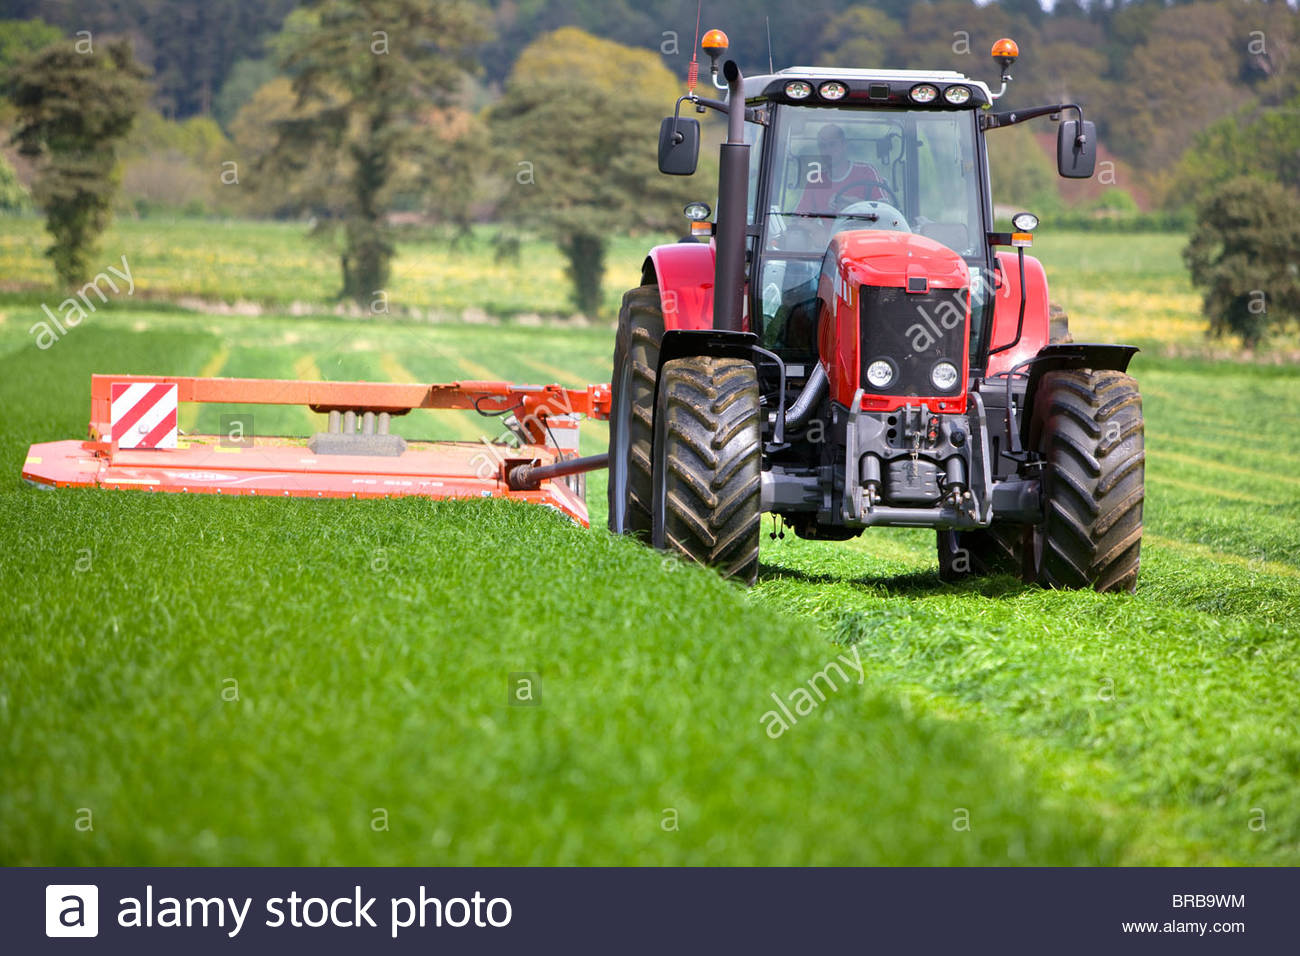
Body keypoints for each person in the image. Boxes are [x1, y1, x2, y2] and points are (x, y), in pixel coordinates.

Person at [794, 123, 890, 215]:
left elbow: (885, 211)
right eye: (823, 146)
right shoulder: (816, 180)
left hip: (865, 231)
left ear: (844, 144)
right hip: (827, 232)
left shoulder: (867, 171)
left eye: (832, 144)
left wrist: (848, 200)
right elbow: (799, 218)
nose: (828, 151)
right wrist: (816, 228)